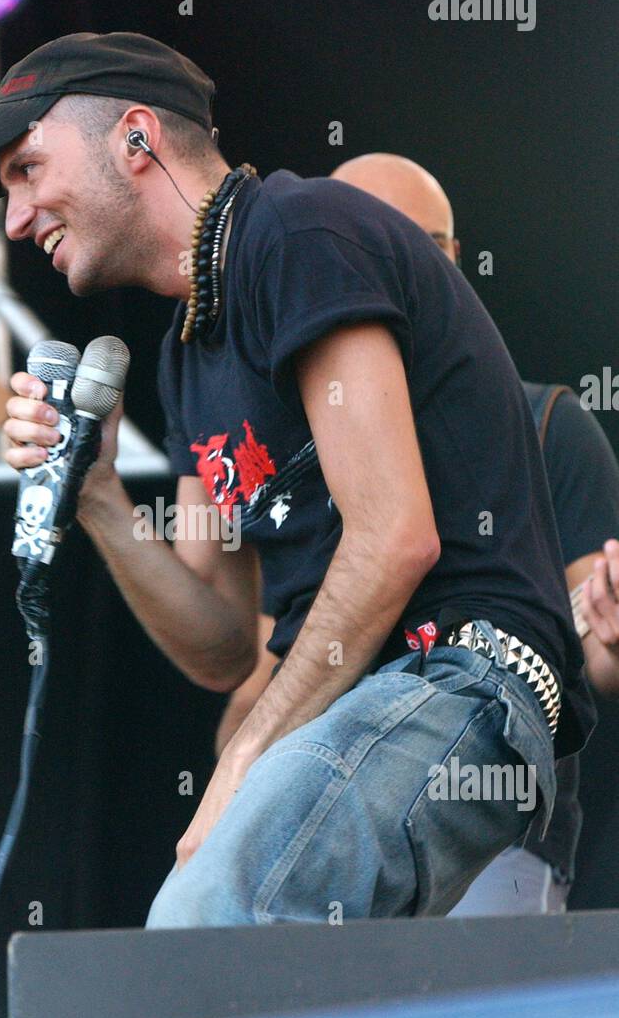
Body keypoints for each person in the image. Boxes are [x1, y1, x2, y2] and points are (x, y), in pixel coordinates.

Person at [0, 32, 597, 927]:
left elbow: (394, 537)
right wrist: (99, 501)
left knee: (208, 923)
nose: (14, 217)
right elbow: (225, 643)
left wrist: (242, 764)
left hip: (458, 675)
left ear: (135, 137)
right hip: (351, 709)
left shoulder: (299, 233)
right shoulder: (186, 361)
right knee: (230, 967)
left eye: (28, 170)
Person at [216, 153, 619, 916]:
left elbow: (587, 649)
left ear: (453, 267)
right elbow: (263, 669)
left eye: (418, 245)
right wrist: (241, 772)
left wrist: (609, 630)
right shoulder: (303, 453)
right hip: (316, 826)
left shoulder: (545, 423)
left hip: (487, 840)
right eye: (356, 244)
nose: (385, 265)